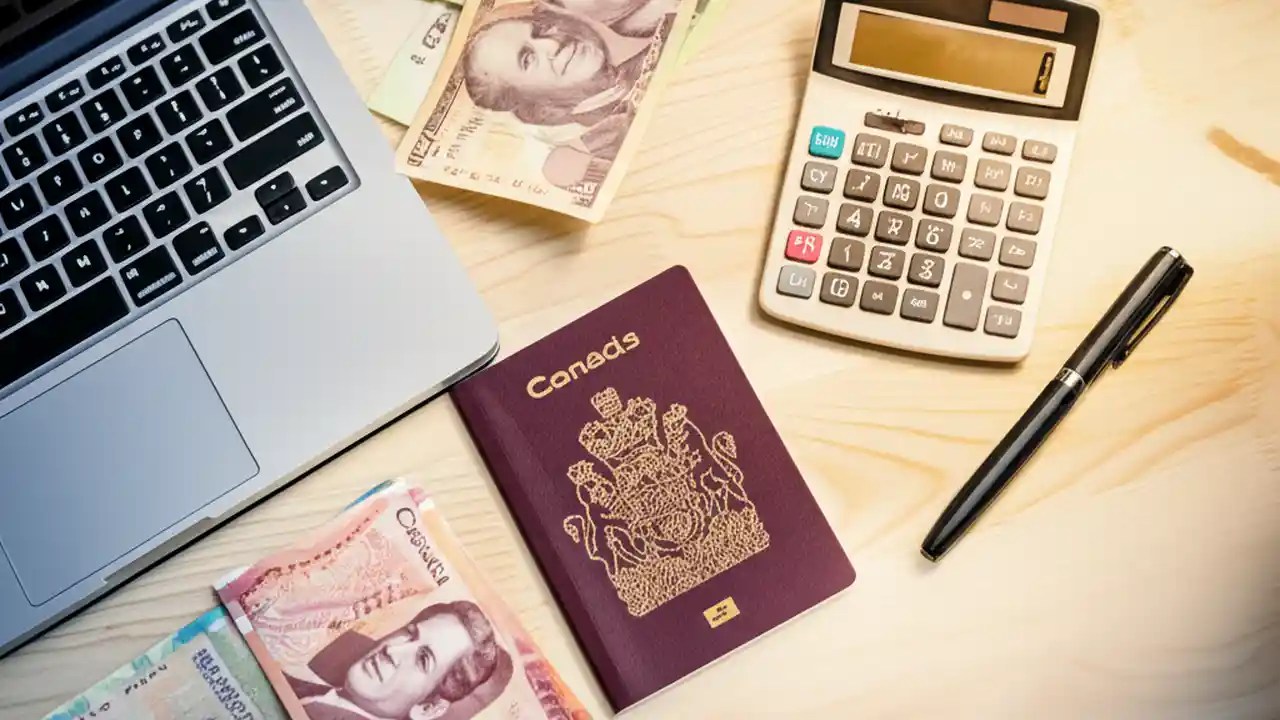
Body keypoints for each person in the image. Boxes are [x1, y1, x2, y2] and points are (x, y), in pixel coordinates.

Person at [460, 2, 672, 189]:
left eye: (540, 30)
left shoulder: (650, 39)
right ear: (541, 111)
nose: (552, 43)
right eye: (528, 59)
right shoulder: (599, 142)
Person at [285, 601, 514, 720]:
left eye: (423, 659)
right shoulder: (300, 688)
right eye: (409, 634)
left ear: (427, 708)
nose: (393, 651)